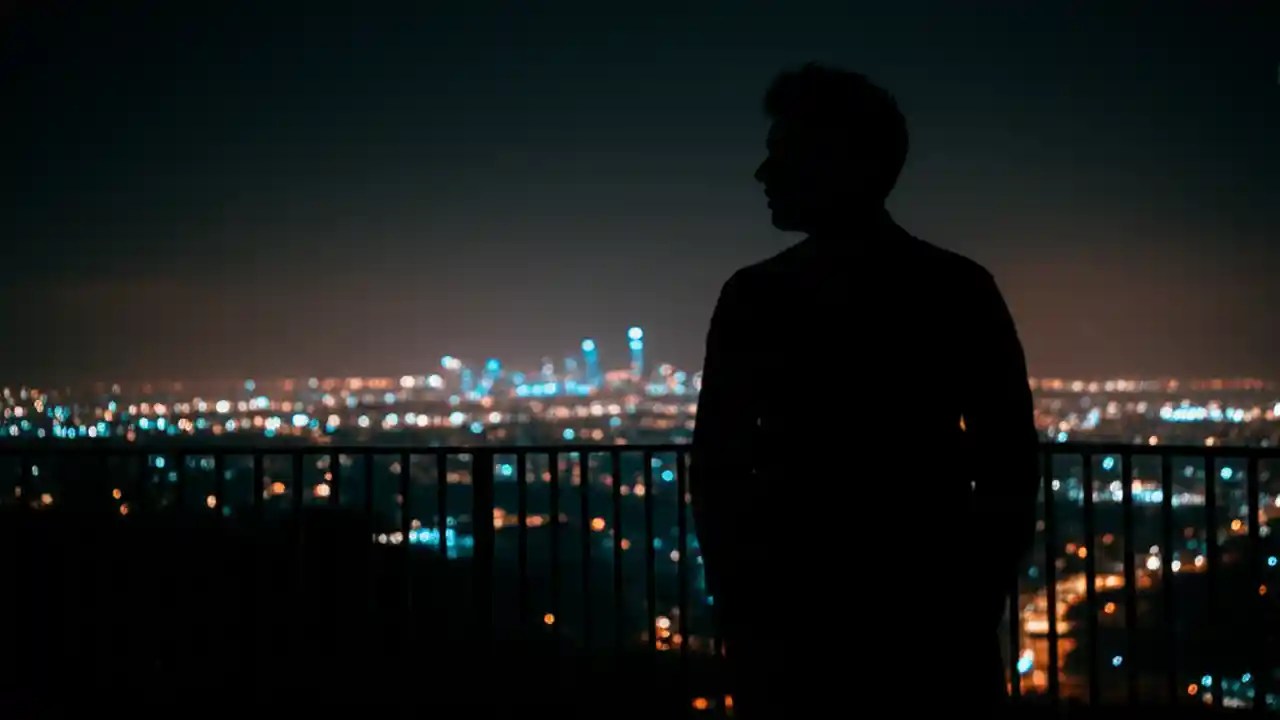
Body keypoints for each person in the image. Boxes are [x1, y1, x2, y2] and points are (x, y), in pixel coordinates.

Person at [690, 64, 1040, 717]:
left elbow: (718, 469)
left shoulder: (757, 298)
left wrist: (741, 599)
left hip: (794, 623)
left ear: (836, 163)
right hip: (931, 620)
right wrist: (973, 598)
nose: (763, 175)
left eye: (782, 153)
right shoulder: (957, 288)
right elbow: (1009, 461)